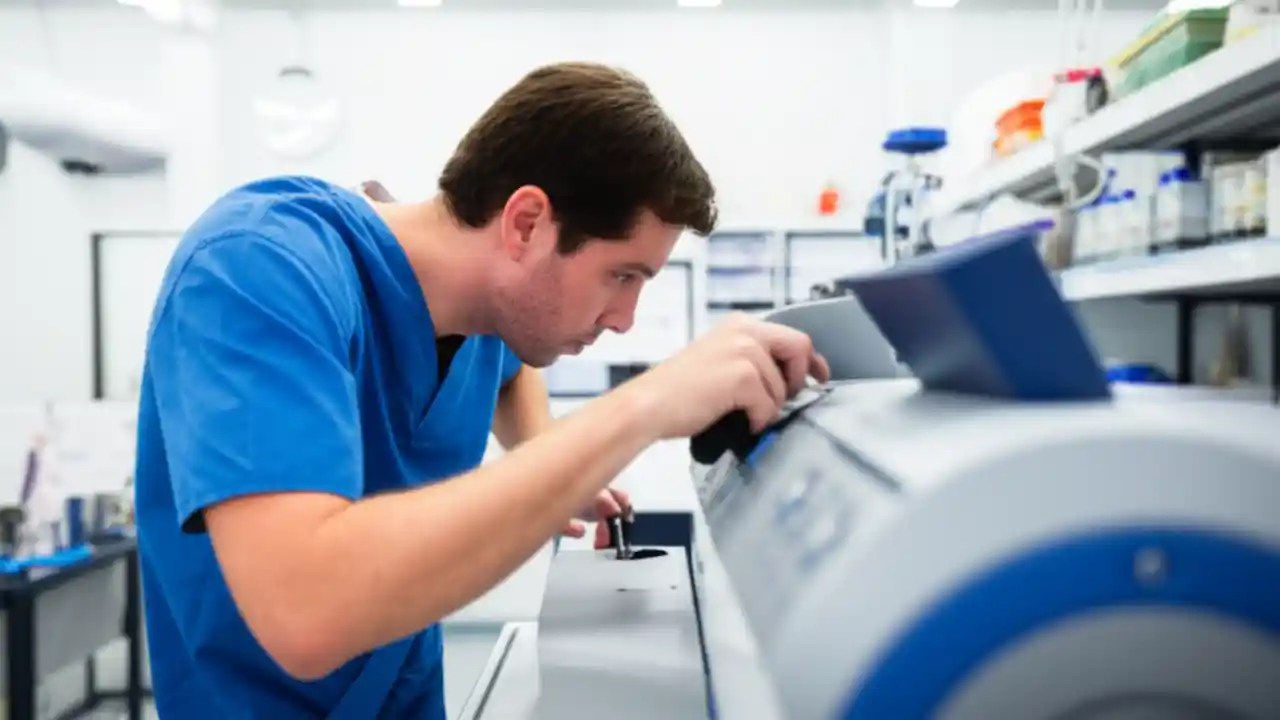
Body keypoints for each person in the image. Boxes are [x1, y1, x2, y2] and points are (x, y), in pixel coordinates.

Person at [134, 61, 829, 719]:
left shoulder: (485, 308)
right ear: (526, 223)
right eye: (623, 276)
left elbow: (506, 368)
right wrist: (643, 406)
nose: (624, 320)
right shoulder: (258, 269)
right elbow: (307, 611)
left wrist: (546, 449)